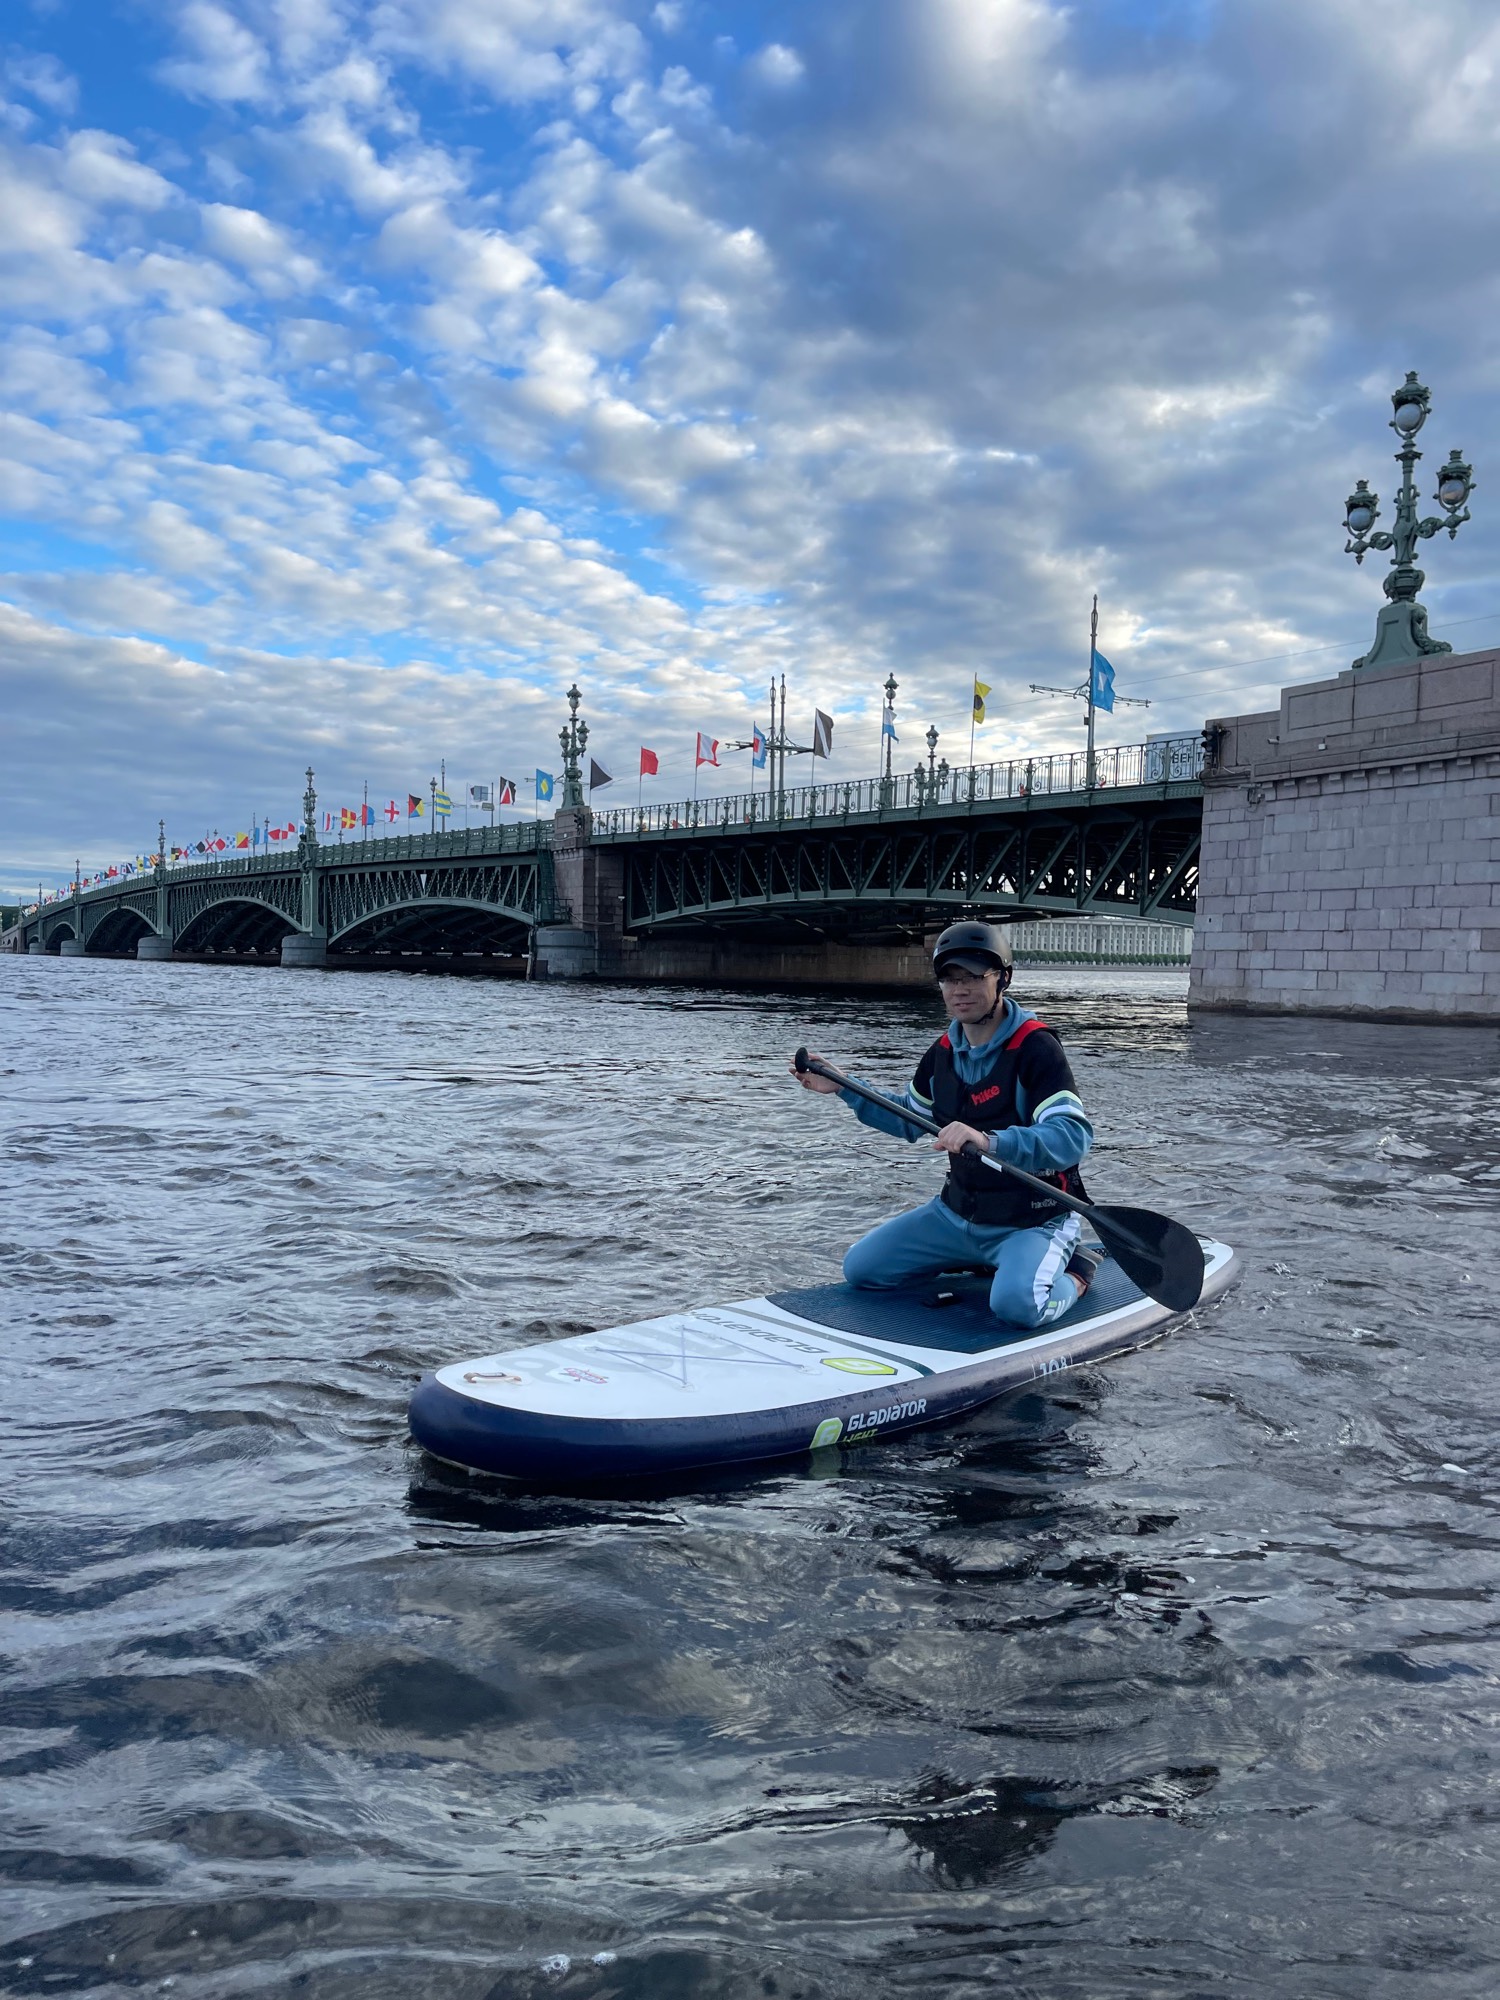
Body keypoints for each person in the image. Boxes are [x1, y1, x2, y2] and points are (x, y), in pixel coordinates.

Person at [790, 920, 1096, 1326]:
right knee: (862, 1270)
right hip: (956, 1215)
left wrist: (988, 1141)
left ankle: (1078, 1270)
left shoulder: (1036, 1049)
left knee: (1017, 1307)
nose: (959, 990)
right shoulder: (943, 1053)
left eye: (973, 976)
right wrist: (845, 1087)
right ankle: (979, 1262)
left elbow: (1071, 1136)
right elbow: (909, 1119)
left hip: (1032, 1221)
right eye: (949, 979)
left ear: (1003, 978)